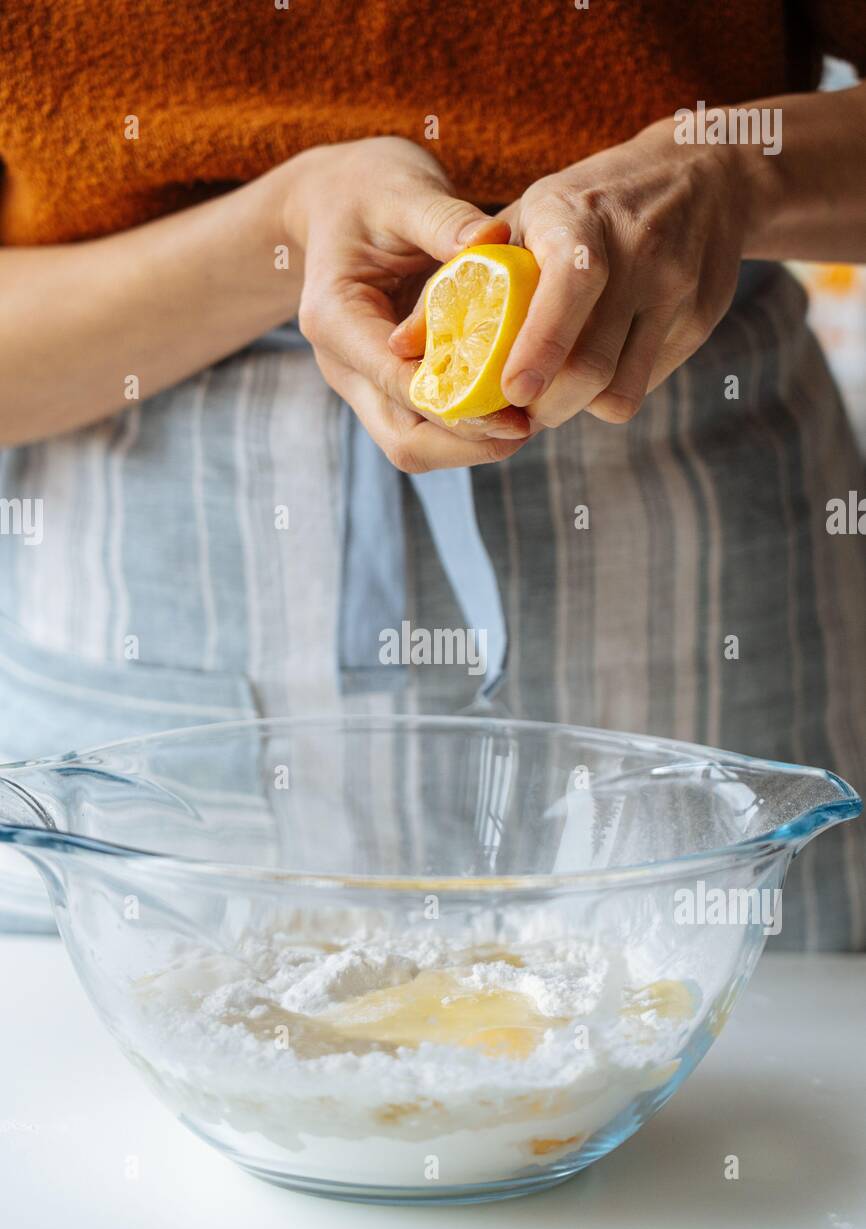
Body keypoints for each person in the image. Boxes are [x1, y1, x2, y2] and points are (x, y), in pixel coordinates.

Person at [0, 1, 864, 946]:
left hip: (693, 553)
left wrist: (732, 167)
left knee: (763, 1066)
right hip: (142, 591)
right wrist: (282, 229)